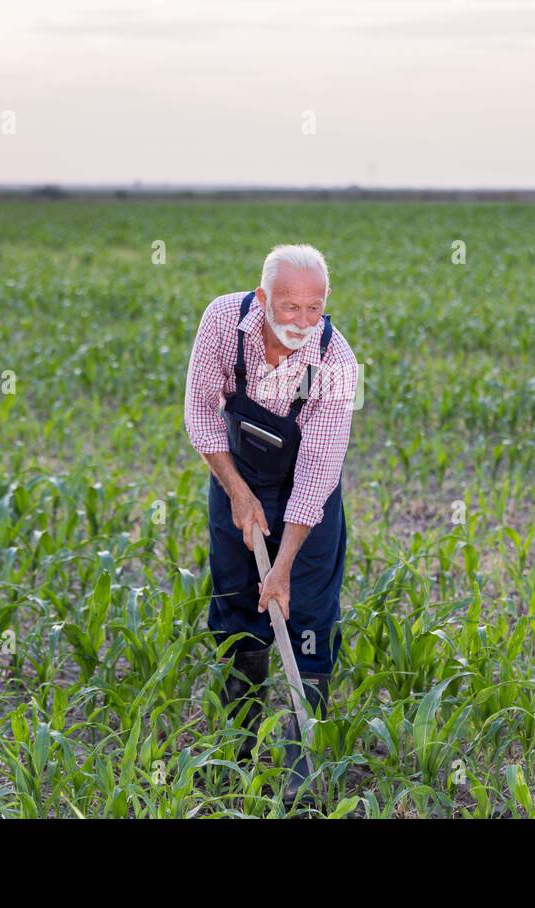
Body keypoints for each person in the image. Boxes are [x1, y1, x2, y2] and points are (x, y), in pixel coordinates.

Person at [183, 242, 358, 808]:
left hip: (307, 500)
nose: (303, 322)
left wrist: (281, 566)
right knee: (237, 608)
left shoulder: (335, 365)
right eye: (289, 308)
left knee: (307, 617)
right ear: (263, 300)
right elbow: (200, 412)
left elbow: (318, 471)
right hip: (236, 475)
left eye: (315, 308)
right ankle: (236, 749)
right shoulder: (224, 323)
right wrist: (236, 493)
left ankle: (302, 767)